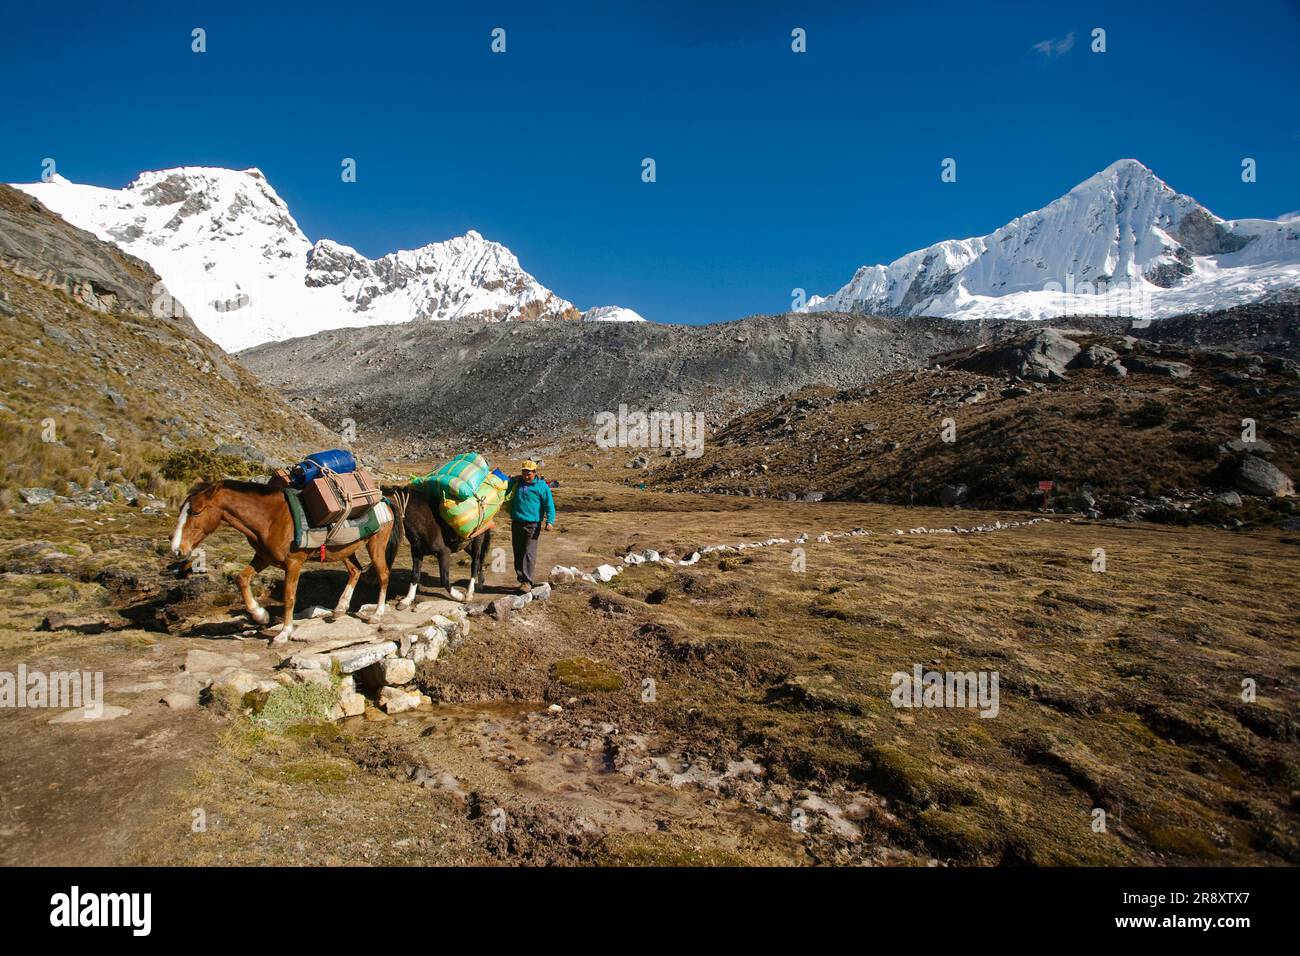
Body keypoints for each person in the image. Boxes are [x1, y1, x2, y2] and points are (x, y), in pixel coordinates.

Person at [505, 460, 555, 593]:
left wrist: (550, 521)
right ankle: (521, 579)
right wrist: (509, 479)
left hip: (532, 524)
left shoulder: (541, 486)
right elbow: (505, 489)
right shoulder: (518, 483)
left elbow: (549, 505)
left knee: (529, 552)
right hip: (517, 522)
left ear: (535, 473)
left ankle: (527, 582)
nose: (526, 476)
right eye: (524, 473)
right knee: (518, 552)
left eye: (529, 473)